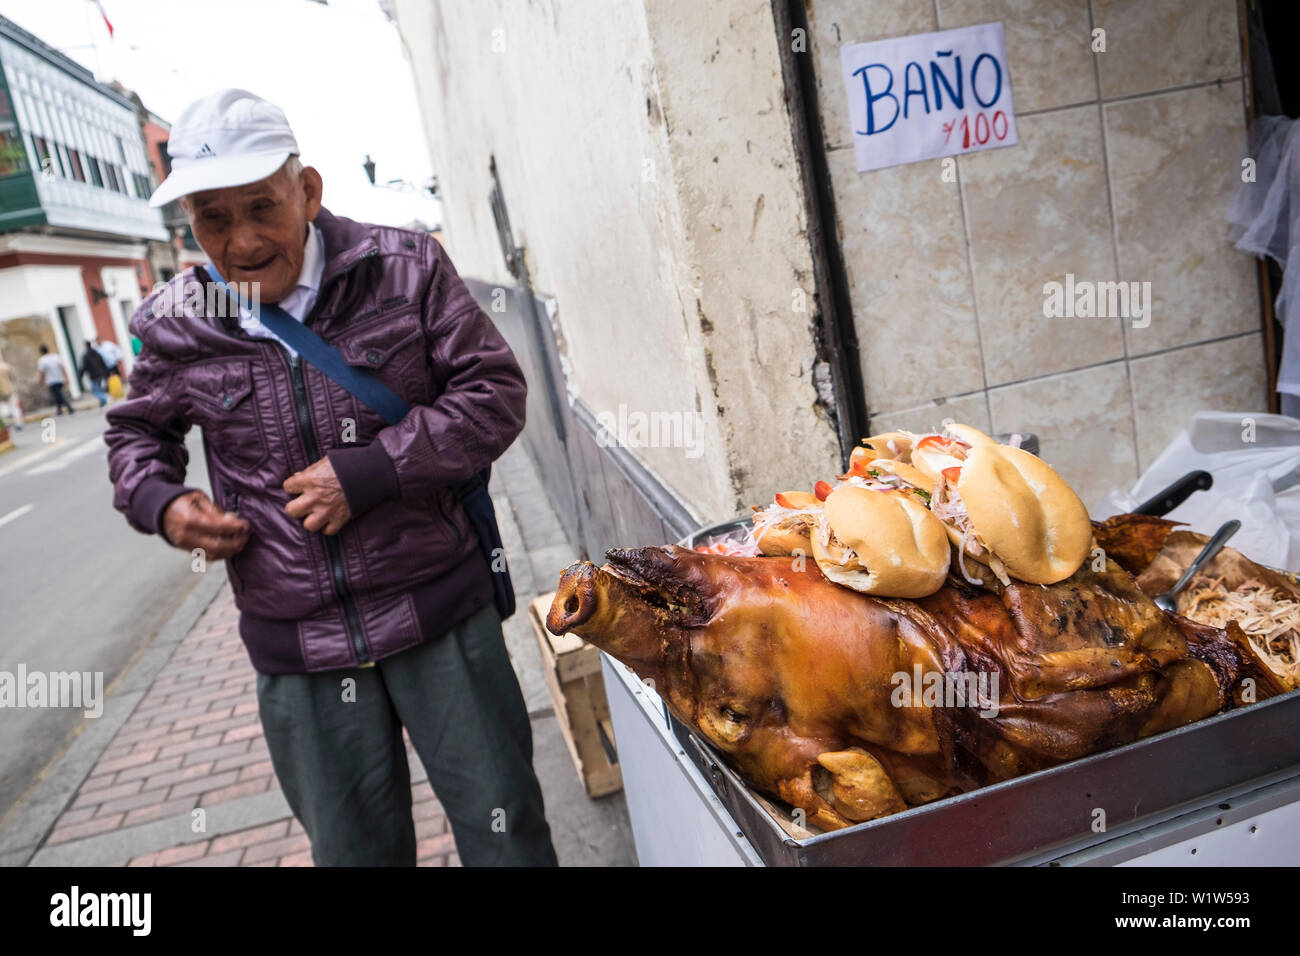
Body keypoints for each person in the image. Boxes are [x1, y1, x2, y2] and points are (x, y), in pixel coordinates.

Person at [105, 89, 556, 867]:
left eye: (261, 207)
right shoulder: (174, 322)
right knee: (352, 856)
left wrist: (377, 467)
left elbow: (495, 394)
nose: (242, 241)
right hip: (299, 646)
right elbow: (135, 433)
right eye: (213, 218)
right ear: (190, 225)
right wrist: (164, 502)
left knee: (506, 834)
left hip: (439, 613)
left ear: (307, 190)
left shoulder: (404, 269)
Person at [36, 345, 74, 415]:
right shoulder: (56, 357)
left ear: (41, 352)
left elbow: (42, 373)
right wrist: (66, 377)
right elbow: (62, 368)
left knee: (59, 395)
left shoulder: (42, 360)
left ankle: (69, 407)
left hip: (51, 381)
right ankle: (59, 410)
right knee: (57, 395)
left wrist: (41, 382)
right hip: (59, 379)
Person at [79, 341, 110, 407]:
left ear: (86, 346)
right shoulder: (96, 353)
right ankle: (102, 402)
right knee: (98, 388)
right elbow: (102, 362)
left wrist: (80, 375)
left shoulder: (86, 355)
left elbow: (84, 367)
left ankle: (104, 399)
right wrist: (106, 371)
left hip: (94, 374)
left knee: (94, 390)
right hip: (100, 373)